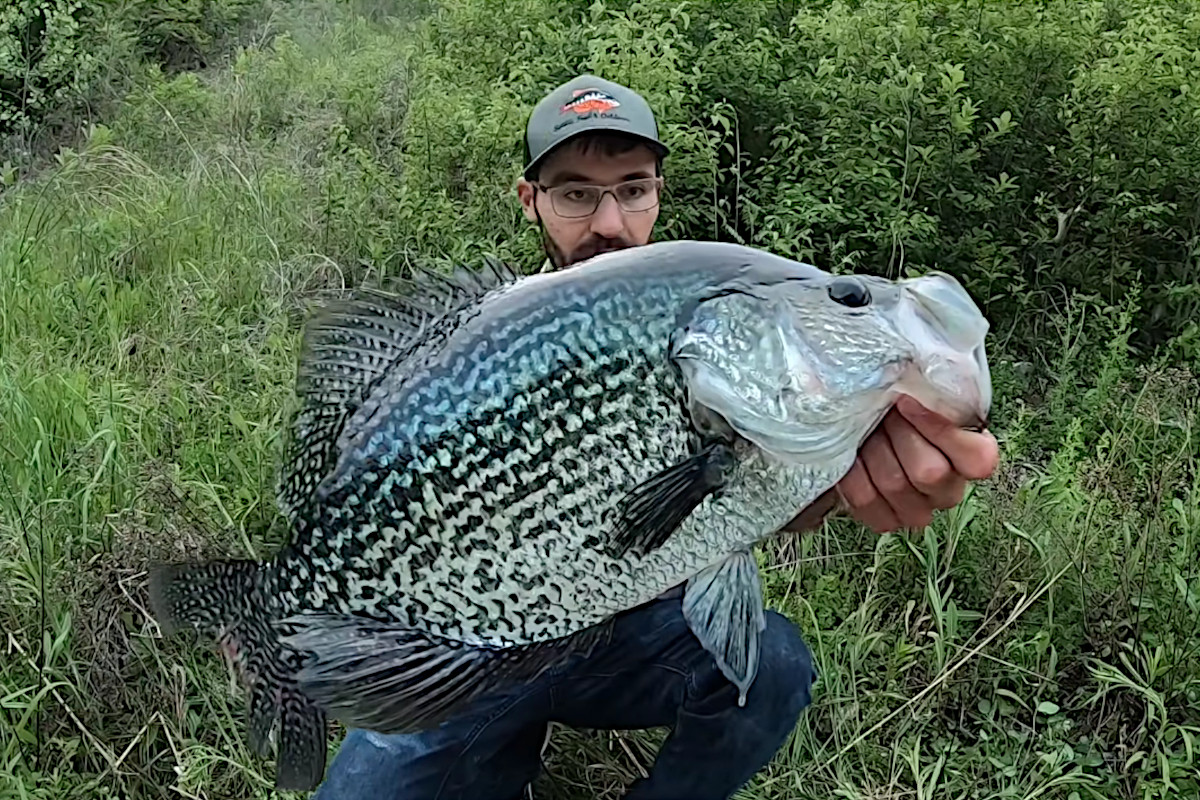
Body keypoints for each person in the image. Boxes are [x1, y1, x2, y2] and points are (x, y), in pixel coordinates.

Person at [313, 74, 1000, 800]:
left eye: (633, 189)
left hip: (629, 638)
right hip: (476, 637)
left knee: (771, 665)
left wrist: (837, 468)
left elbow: (731, 500)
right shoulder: (477, 346)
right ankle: (494, 756)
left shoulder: (726, 323)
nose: (609, 221)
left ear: (658, 193)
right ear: (531, 200)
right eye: (576, 192)